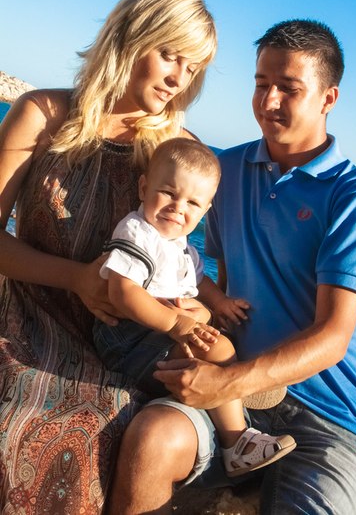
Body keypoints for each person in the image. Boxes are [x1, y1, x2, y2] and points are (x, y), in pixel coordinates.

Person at [109, 19, 356, 515]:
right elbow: (217, 281)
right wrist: (196, 313)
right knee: (153, 437)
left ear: (328, 98)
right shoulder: (226, 172)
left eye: (289, 88)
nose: (269, 101)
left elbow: (333, 336)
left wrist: (227, 381)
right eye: (261, 84)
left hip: (330, 419)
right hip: (233, 401)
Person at [0, 0, 218, 513]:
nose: (179, 79)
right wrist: (76, 278)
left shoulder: (177, 155)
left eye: (193, 67)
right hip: (26, 321)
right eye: (170, 55)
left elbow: (183, 265)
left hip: (123, 347)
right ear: (130, 36)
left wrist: (201, 310)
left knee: (90, 430)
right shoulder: (44, 114)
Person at [93, 137, 296, 478]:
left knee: (220, 343)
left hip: (155, 337)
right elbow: (122, 292)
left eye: (192, 203)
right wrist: (176, 324)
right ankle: (236, 441)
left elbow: (199, 281)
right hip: (127, 340)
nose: (177, 208)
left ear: (204, 212)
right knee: (217, 348)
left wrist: (219, 304)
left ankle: (233, 390)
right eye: (168, 193)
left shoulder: (180, 246)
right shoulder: (137, 232)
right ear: (143, 188)